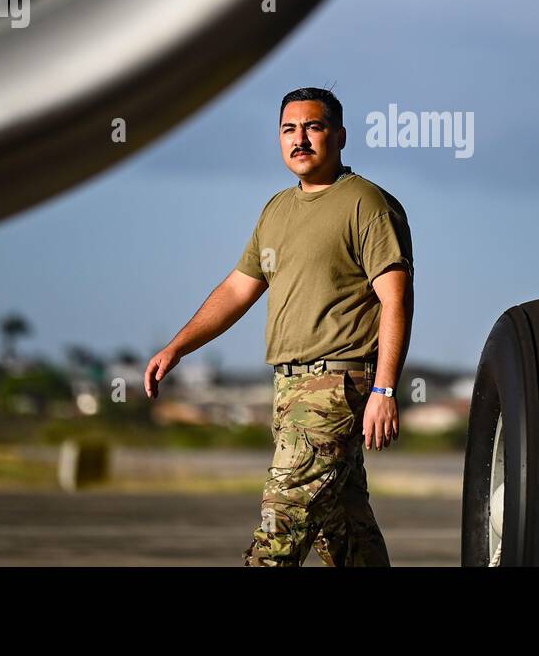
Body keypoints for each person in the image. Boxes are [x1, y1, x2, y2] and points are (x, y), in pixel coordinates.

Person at [144, 86, 414, 566]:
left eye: (313, 127)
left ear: (340, 135)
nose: (300, 140)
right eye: (290, 129)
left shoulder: (366, 204)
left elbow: (396, 299)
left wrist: (385, 391)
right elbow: (237, 289)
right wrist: (178, 347)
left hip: (336, 388)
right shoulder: (276, 210)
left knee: (279, 529)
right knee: (347, 535)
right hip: (289, 389)